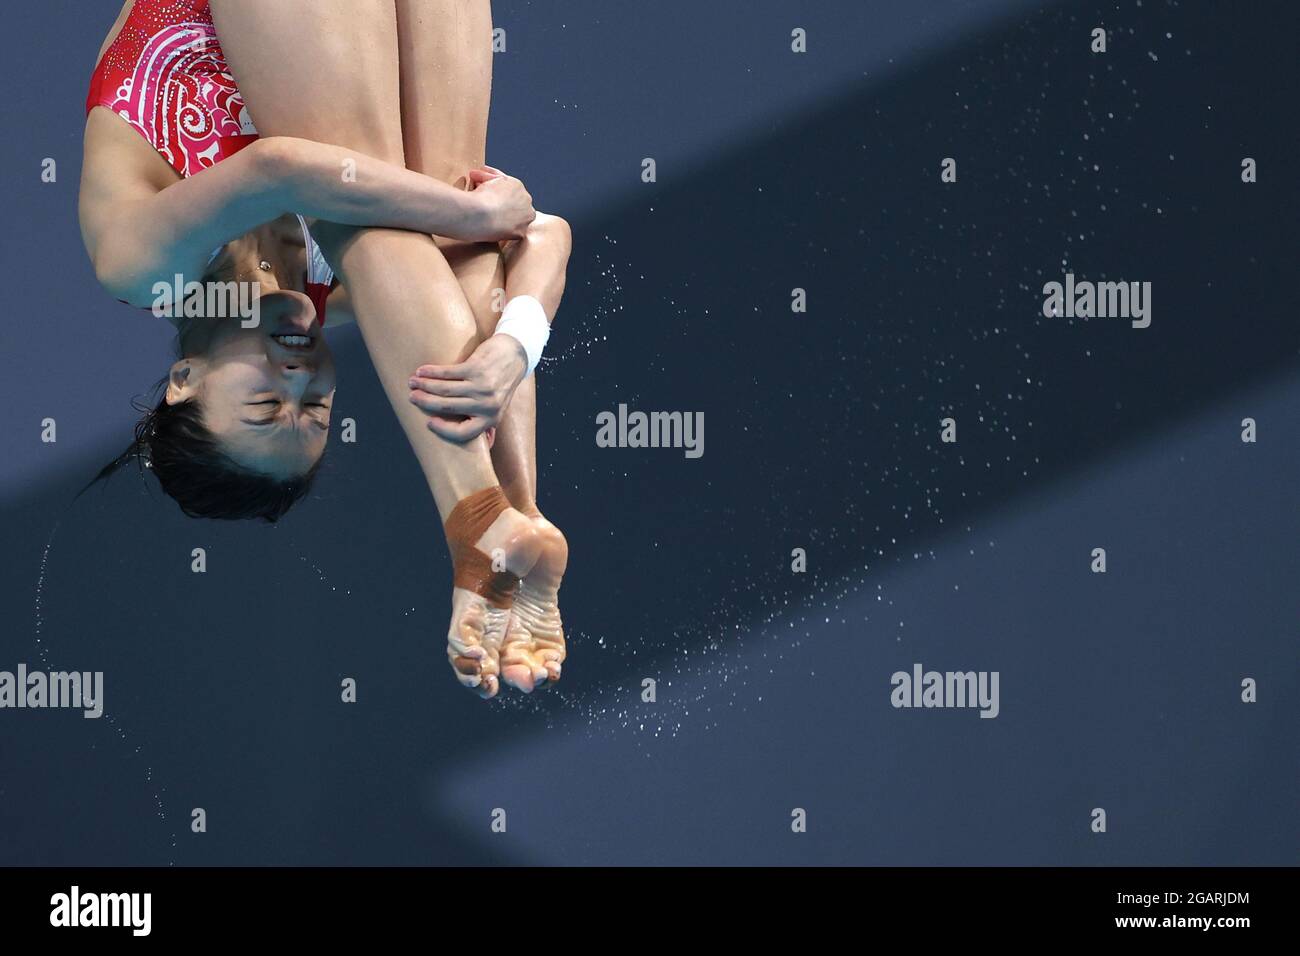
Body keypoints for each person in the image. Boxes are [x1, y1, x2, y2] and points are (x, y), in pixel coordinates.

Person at [80, 0, 535, 521]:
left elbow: (276, 169)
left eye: (265, 406)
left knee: (414, 219)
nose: (298, 379)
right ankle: (519, 513)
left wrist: (467, 213)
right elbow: (536, 235)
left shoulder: (145, 272)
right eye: (316, 409)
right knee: (448, 244)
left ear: (185, 378)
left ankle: (476, 521)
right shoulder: (348, 285)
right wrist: (516, 347)